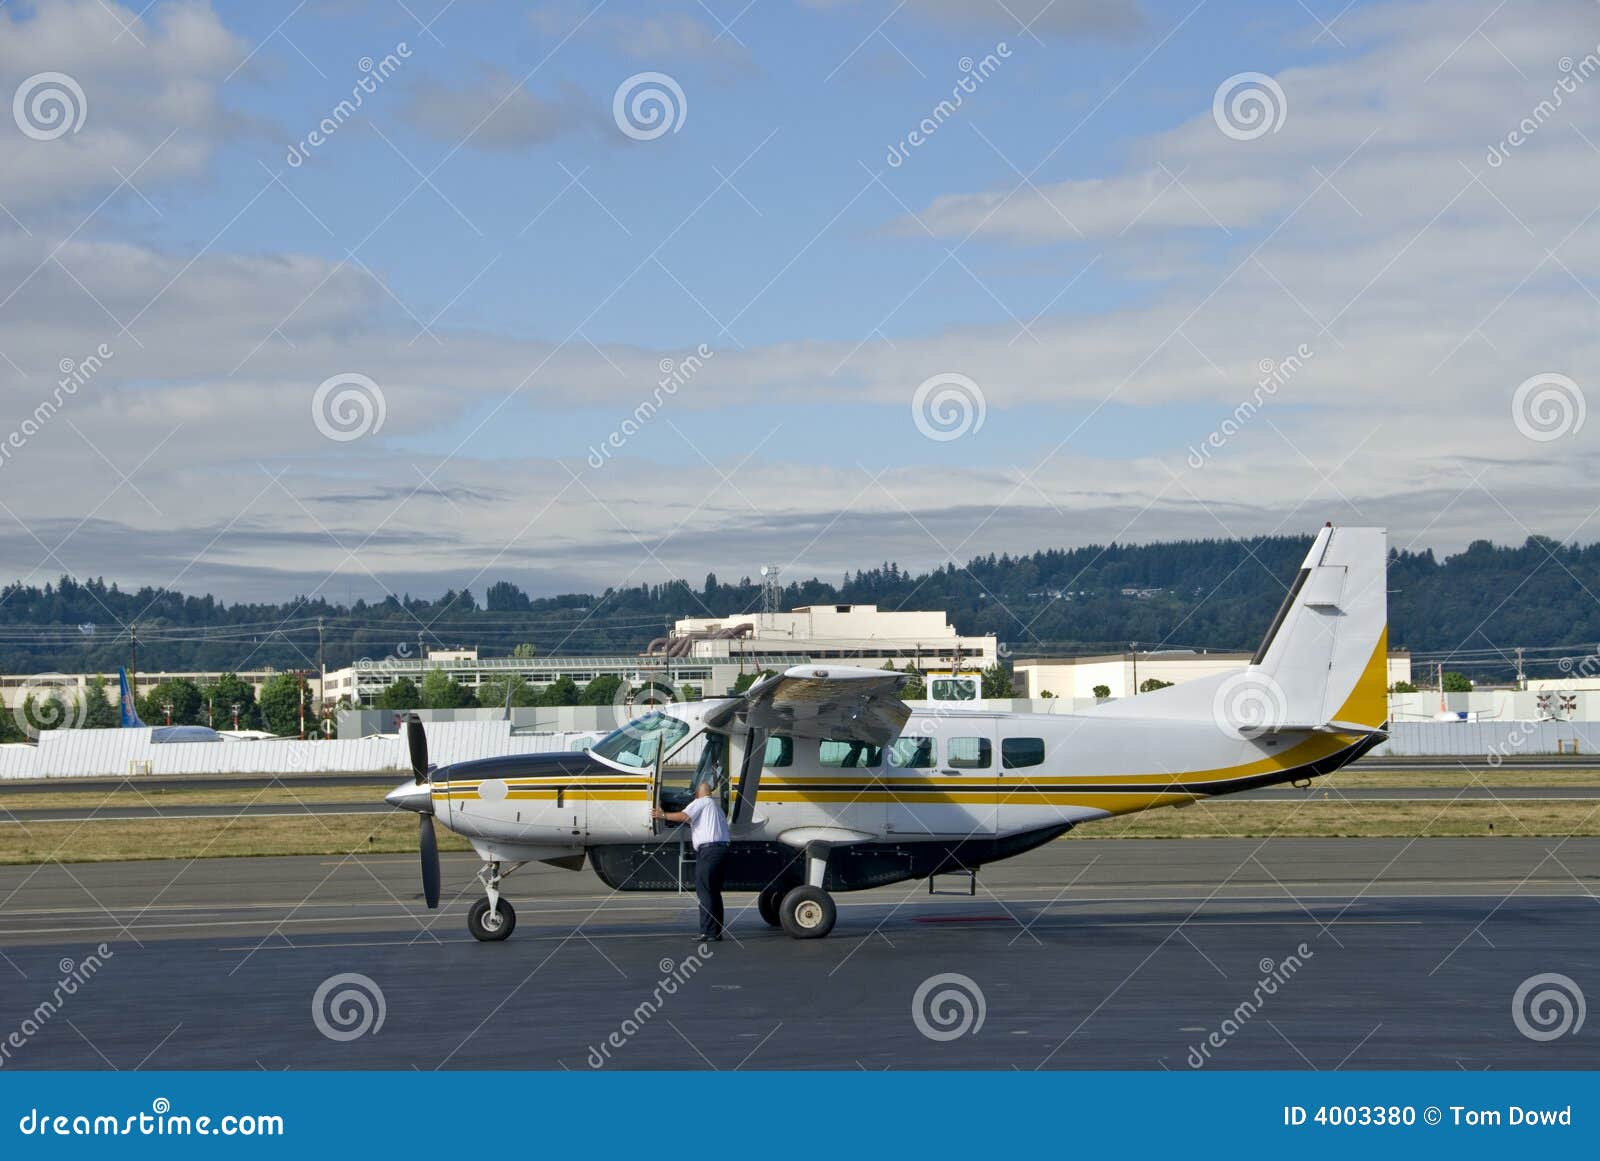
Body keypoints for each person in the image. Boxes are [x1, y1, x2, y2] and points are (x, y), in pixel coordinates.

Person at [653, 781, 730, 941]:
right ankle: (716, 931)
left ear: (697, 793)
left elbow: (684, 816)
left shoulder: (700, 802)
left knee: (704, 892)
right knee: (714, 892)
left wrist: (662, 815)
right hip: (721, 850)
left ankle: (707, 932)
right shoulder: (717, 809)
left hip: (708, 851)